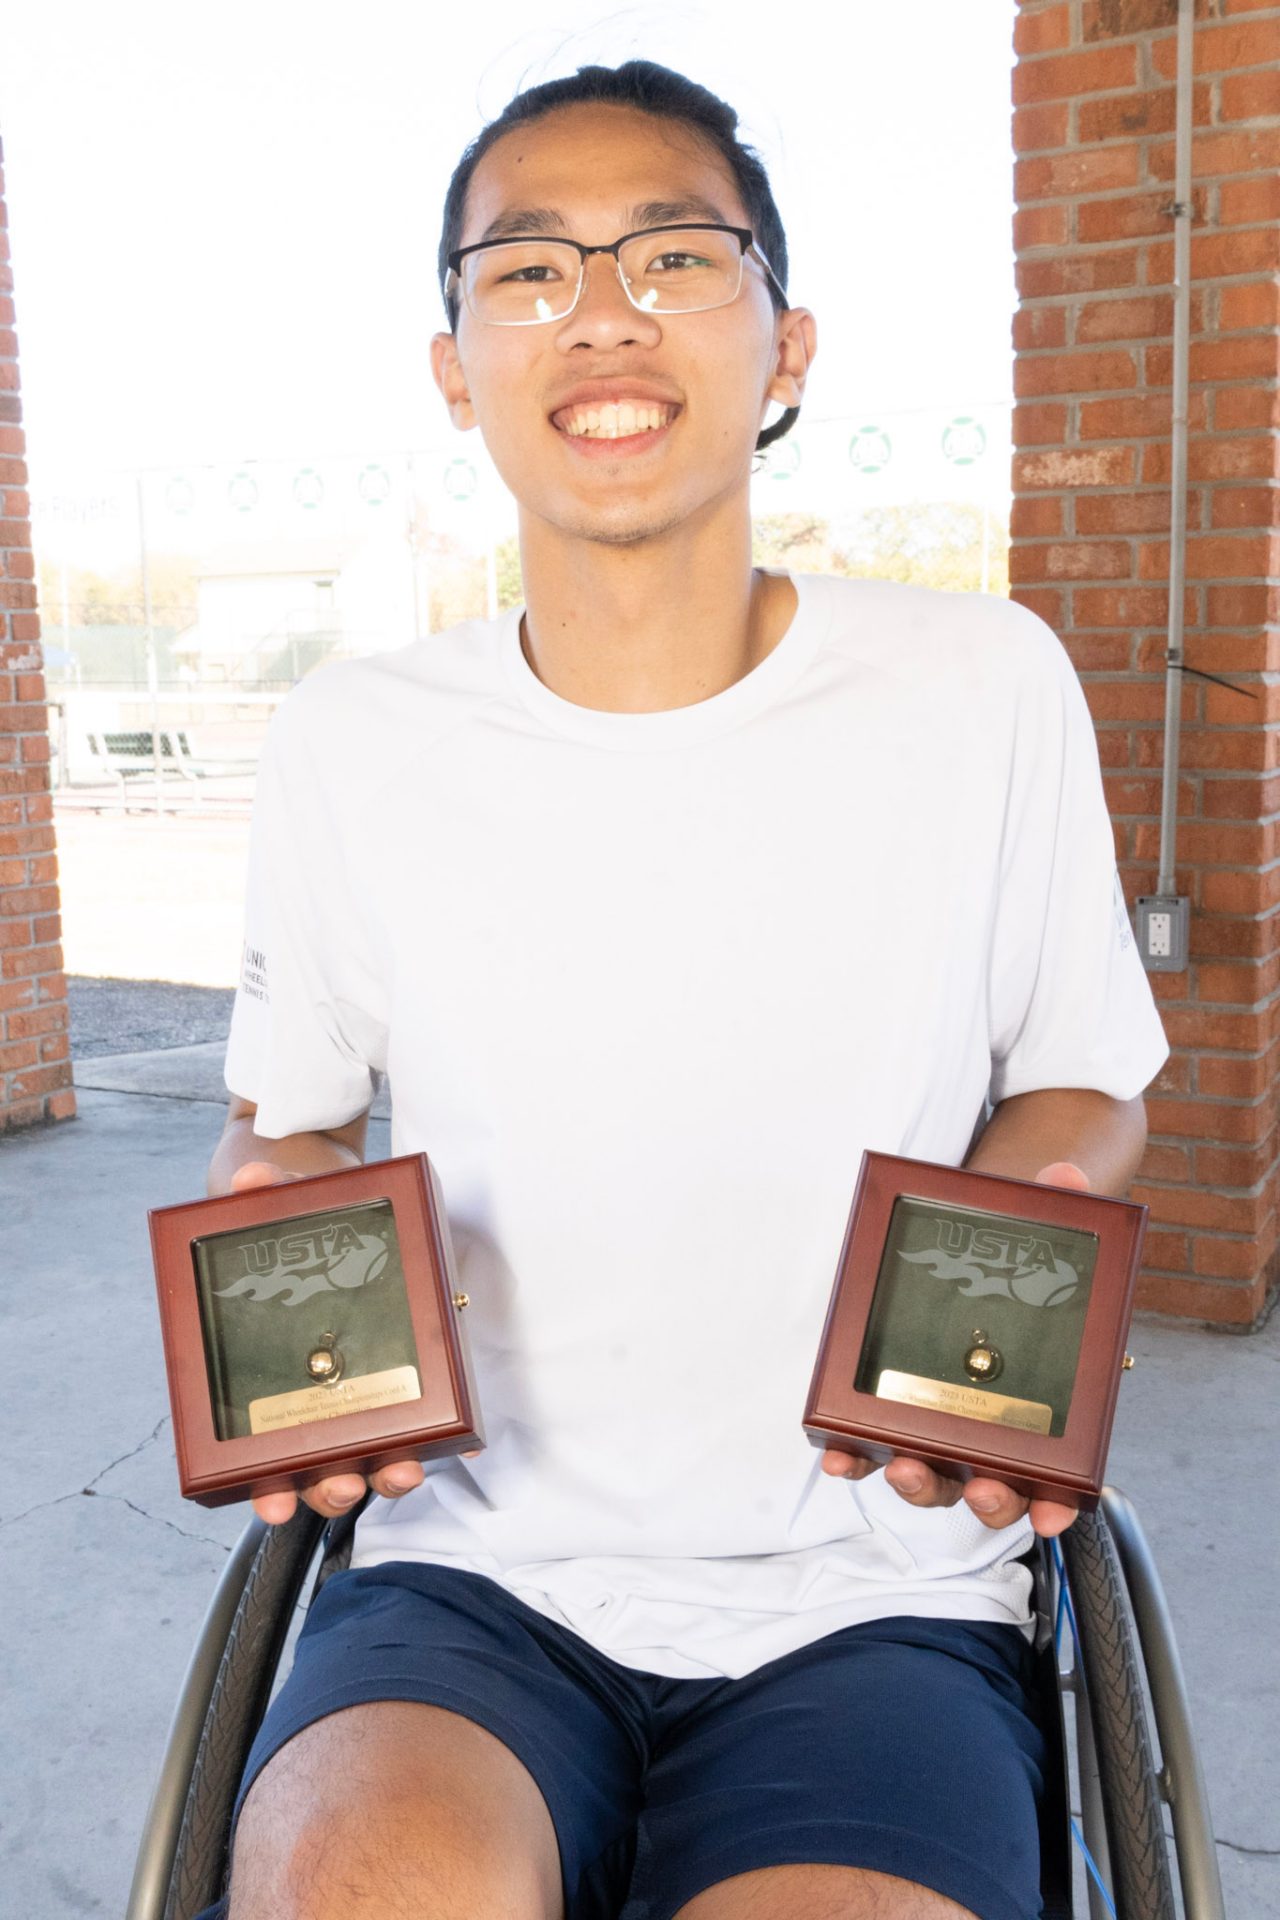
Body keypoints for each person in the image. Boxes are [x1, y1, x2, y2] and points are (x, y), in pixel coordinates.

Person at [205, 58, 1168, 1920]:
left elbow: (1084, 1085)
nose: (604, 317)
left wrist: (1020, 1258)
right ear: (453, 365)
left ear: (786, 342)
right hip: (469, 1584)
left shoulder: (978, 687)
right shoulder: (354, 742)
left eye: (671, 254)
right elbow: (293, 1121)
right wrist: (277, 1216)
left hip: (875, 1591)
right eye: (530, 271)